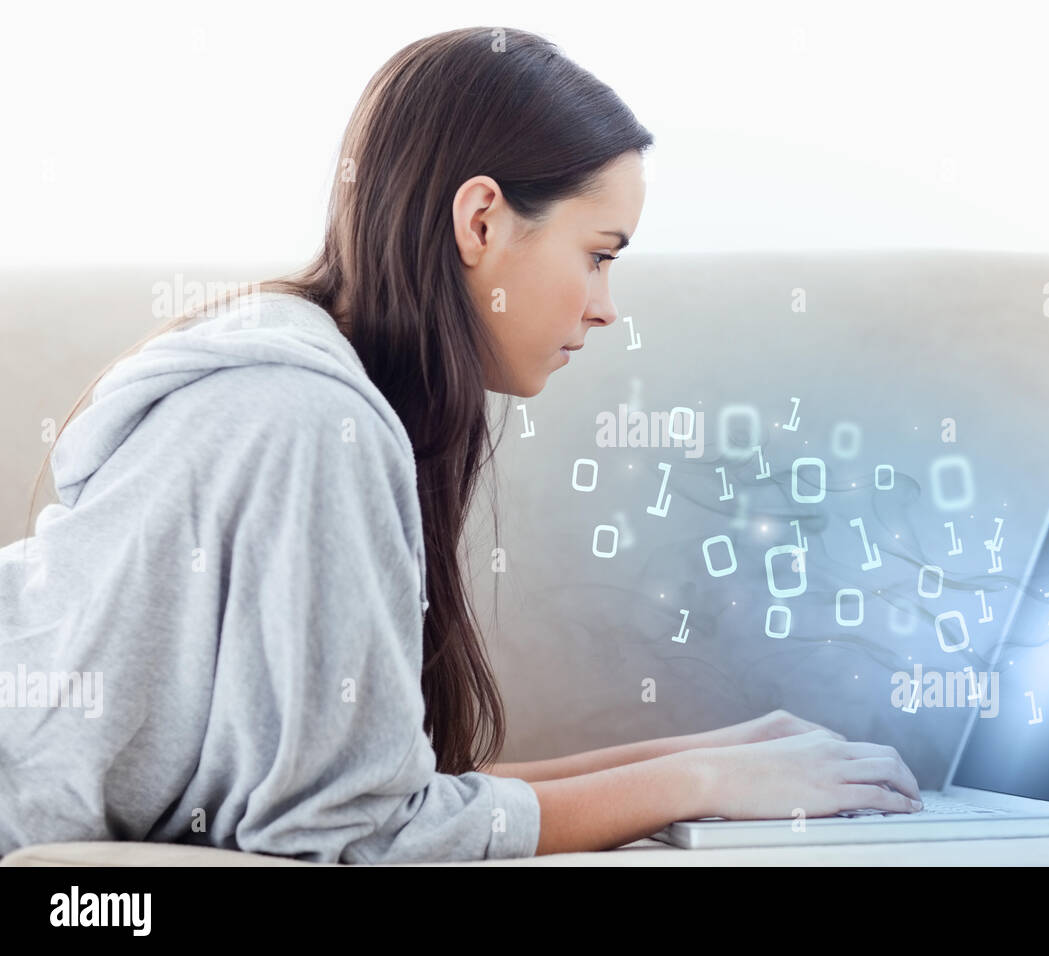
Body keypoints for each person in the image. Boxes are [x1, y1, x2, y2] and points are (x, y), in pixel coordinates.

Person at [0, 26, 920, 864]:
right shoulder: (315, 420)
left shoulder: (320, 390)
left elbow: (384, 789)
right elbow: (354, 836)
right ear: (480, 221)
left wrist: (713, 755)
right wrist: (698, 788)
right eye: (600, 253)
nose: (607, 307)